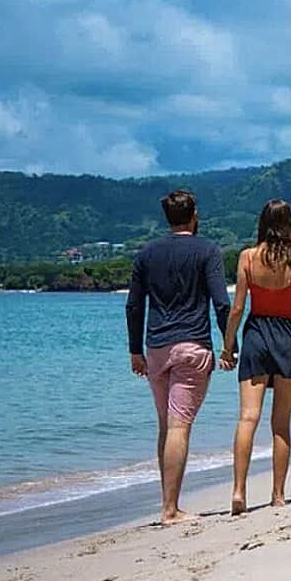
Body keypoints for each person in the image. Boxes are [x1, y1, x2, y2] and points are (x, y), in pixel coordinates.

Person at [126, 190, 231, 525]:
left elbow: (133, 305)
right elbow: (221, 302)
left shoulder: (146, 253)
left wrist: (134, 350)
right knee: (179, 427)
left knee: (166, 427)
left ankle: (167, 503)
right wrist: (231, 344)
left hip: (156, 348)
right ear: (194, 214)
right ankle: (170, 510)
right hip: (193, 346)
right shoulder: (208, 250)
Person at [219, 199, 291, 514]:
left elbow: (236, 307)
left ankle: (238, 491)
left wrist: (227, 345)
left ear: (262, 222)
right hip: (290, 339)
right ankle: (278, 495)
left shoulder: (248, 257)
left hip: (256, 337)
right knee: (281, 423)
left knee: (247, 417)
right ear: (290, 223)